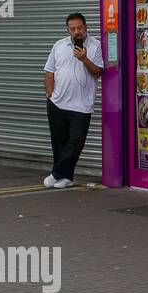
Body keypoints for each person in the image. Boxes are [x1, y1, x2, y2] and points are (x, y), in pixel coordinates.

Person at [43, 12, 104, 189]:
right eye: (73, 29)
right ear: (68, 30)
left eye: (79, 28)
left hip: (81, 105)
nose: (77, 31)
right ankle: (66, 177)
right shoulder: (59, 45)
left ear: (86, 27)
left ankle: (56, 173)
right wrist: (49, 94)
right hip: (57, 102)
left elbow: (98, 72)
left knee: (76, 141)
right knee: (59, 142)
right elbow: (49, 70)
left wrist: (84, 58)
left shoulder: (96, 46)